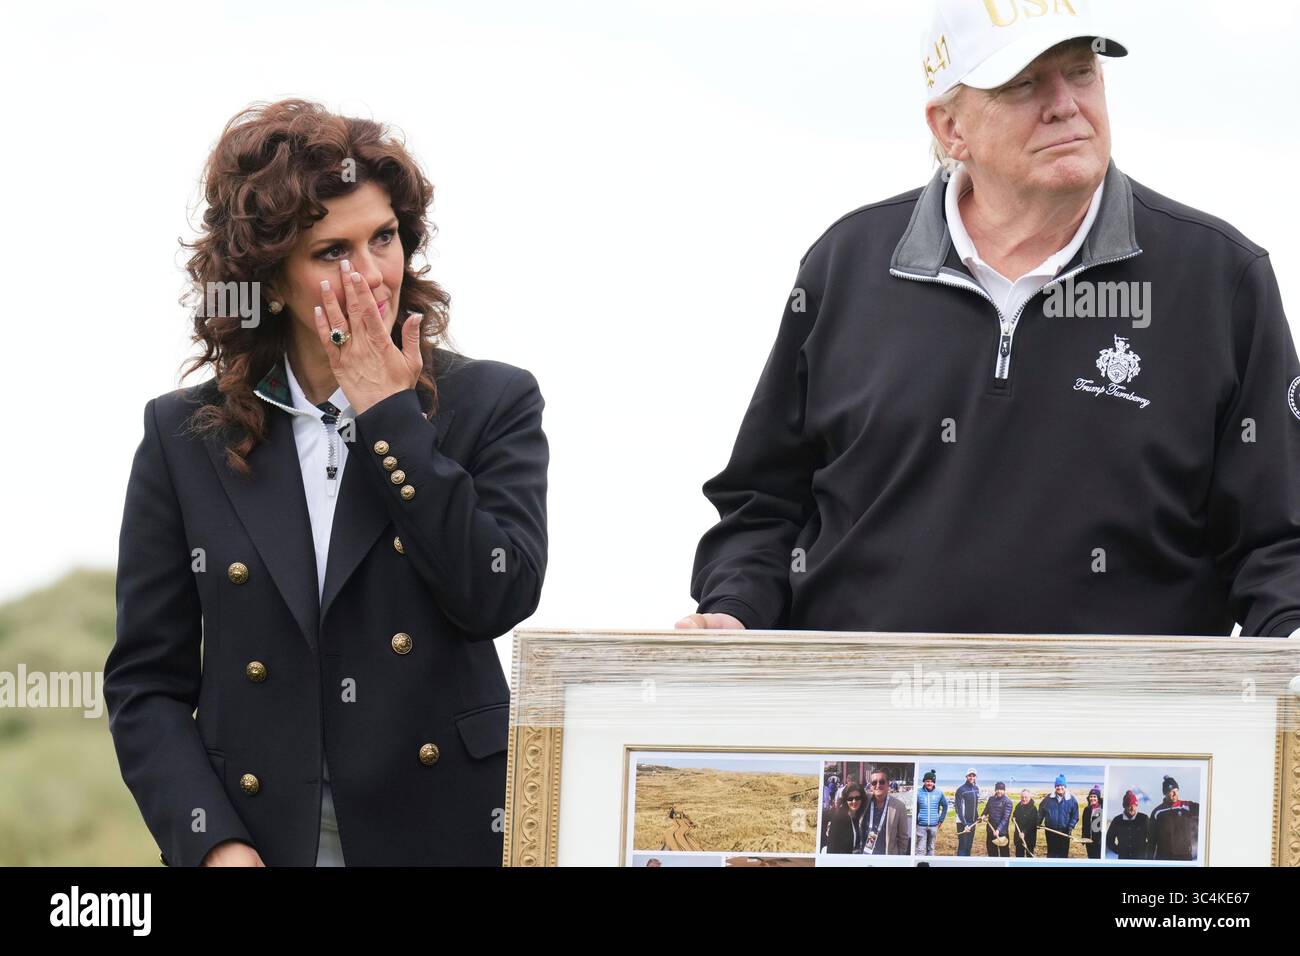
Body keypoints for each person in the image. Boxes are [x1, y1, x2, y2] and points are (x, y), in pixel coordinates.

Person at [675, 0, 1300, 642]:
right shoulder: (847, 265)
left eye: (1081, 73)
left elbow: (1281, 544)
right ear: (950, 128)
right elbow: (764, 506)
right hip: (866, 728)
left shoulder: (1220, 278)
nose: (1064, 104)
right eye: (1023, 83)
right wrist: (735, 611)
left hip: (1127, 735)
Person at [103, 99, 549, 867]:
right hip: (261, 834)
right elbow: (146, 685)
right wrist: (213, 845)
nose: (371, 273)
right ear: (270, 280)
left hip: (446, 831)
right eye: (331, 252)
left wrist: (390, 416)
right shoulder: (182, 436)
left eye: (384, 237)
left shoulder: (493, 402)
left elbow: (495, 596)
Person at [862, 768, 912, 855]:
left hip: (887, 858)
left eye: (882, 782)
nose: (878, 785)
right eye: (874, 782)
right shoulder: (864, 801)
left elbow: (903, 838)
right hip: (865, 856)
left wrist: (899, 858)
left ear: (888, 784)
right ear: (870, 786)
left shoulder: (899, 806)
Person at [1149, 776, 1200, 861]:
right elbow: (1152, 840)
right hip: (1163, 858)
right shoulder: (1157, 812)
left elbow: (1207, 810)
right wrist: (1149, 860)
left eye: (1176, 791)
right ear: (1165, 793)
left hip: (1184, 857)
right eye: (1171, 791)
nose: (1175, 794)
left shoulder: (1187, 806)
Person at [1039, 774, 1080, 859]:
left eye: (1061, 785)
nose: (1059, 787)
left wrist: (1070, 827)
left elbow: (1075, 815)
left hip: (1065, 832)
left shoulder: (1071, 800)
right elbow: (1041, 810)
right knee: (1051, 853)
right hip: (1050, 831)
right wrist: (1038, 822)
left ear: (1065, 786)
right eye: (1057, 785)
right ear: (1055, 787)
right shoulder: (1048, 798)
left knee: (1063, 854)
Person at [824, 782, 868, 854]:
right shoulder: (838, 819)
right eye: (850, 799)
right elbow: (831, 849)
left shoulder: (861, 815)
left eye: (857, 798)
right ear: (845, 800)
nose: (854, 801)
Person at [1106, 790, 1150, 860]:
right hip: (1123, 860)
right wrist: (1118, 850)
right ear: (1125, 806)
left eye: (1135, 805)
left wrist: (1145, 850)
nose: (1133, 808)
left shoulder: (1144, 819)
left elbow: (1152, 838)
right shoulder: (1117, 820)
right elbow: (1109, 839)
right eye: (1130, 805)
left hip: (1141, 860)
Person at [915, 769, 948, 856]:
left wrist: (941, 820)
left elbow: (945, 806)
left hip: (934, 825)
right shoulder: (918, 792)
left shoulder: (939, 793)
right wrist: (916, 821)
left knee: (931, 848)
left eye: (931, 781)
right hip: (921, 825)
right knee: (920, 849)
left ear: (934, 782)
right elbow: (915, 807)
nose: (929, 783)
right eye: (927, 781)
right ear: (924, 781)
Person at [954, 769, 981, 857]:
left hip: (973, 822)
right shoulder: (961, 790)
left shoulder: (976, 789)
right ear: (966, 777)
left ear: (976, 777)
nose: (971, 777)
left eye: (973, 775)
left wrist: (978, 817)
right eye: (970, 775)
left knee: (969, 846)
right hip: (963, 823)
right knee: (963, 846)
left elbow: (975, 806)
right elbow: (958, 809)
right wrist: (965, 824)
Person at [982, 781, 1013, 858]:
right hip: (990, 831)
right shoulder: (991, 799)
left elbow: (1005, 818)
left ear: (1004, 790)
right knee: (992, 853)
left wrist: (998, 830)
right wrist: (983, 815)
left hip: (1002, 833)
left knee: (1004, 854)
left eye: (1001, 789)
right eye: (997, 789)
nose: (999, 791)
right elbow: (986, 809)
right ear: (995, 790)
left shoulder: (1008, 802)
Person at [1012, 789, 1040, 858]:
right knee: (1019, 856)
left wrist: (1024, 832)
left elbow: (1032, 823)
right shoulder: (1018, 806)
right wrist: (1013, 818)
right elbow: (1014, 815)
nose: (1024, 799)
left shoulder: (1033, 809)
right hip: (1019, 836)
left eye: (1026, 797)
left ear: (1029, 797)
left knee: (1029, 856)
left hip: (1029, 837)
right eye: (1022, 797)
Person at [1081, 787, 1104, 859]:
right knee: (1091, 858)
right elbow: (1084, 825)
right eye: (1091, 796)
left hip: (1099, 841)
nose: (1092, 798)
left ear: (1098, 798)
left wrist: (1102, 839)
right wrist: (1084, 837)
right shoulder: (1087, 809)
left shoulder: (1102, 809)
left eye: (1095, 797)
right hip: (1089, 840)